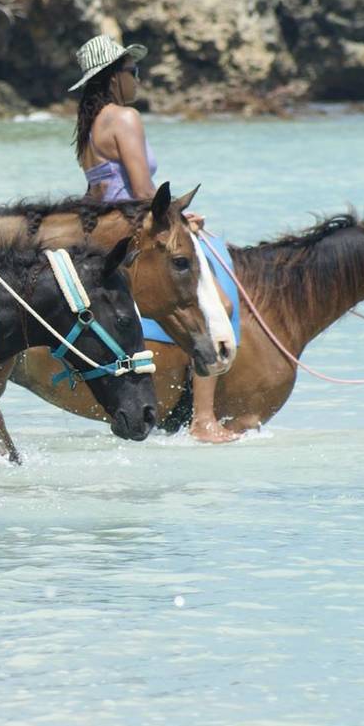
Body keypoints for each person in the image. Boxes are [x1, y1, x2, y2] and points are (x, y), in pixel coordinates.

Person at [69, 34, 240, 443]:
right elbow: (145, 192)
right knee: (217, 303)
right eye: (134, 72)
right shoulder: (124, 119)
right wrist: (179, 222)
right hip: (138, 229)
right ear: (113, 77)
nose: (139, 81)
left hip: (104, 232)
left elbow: (97, 195)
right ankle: (204, 419)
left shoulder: (90, 128)